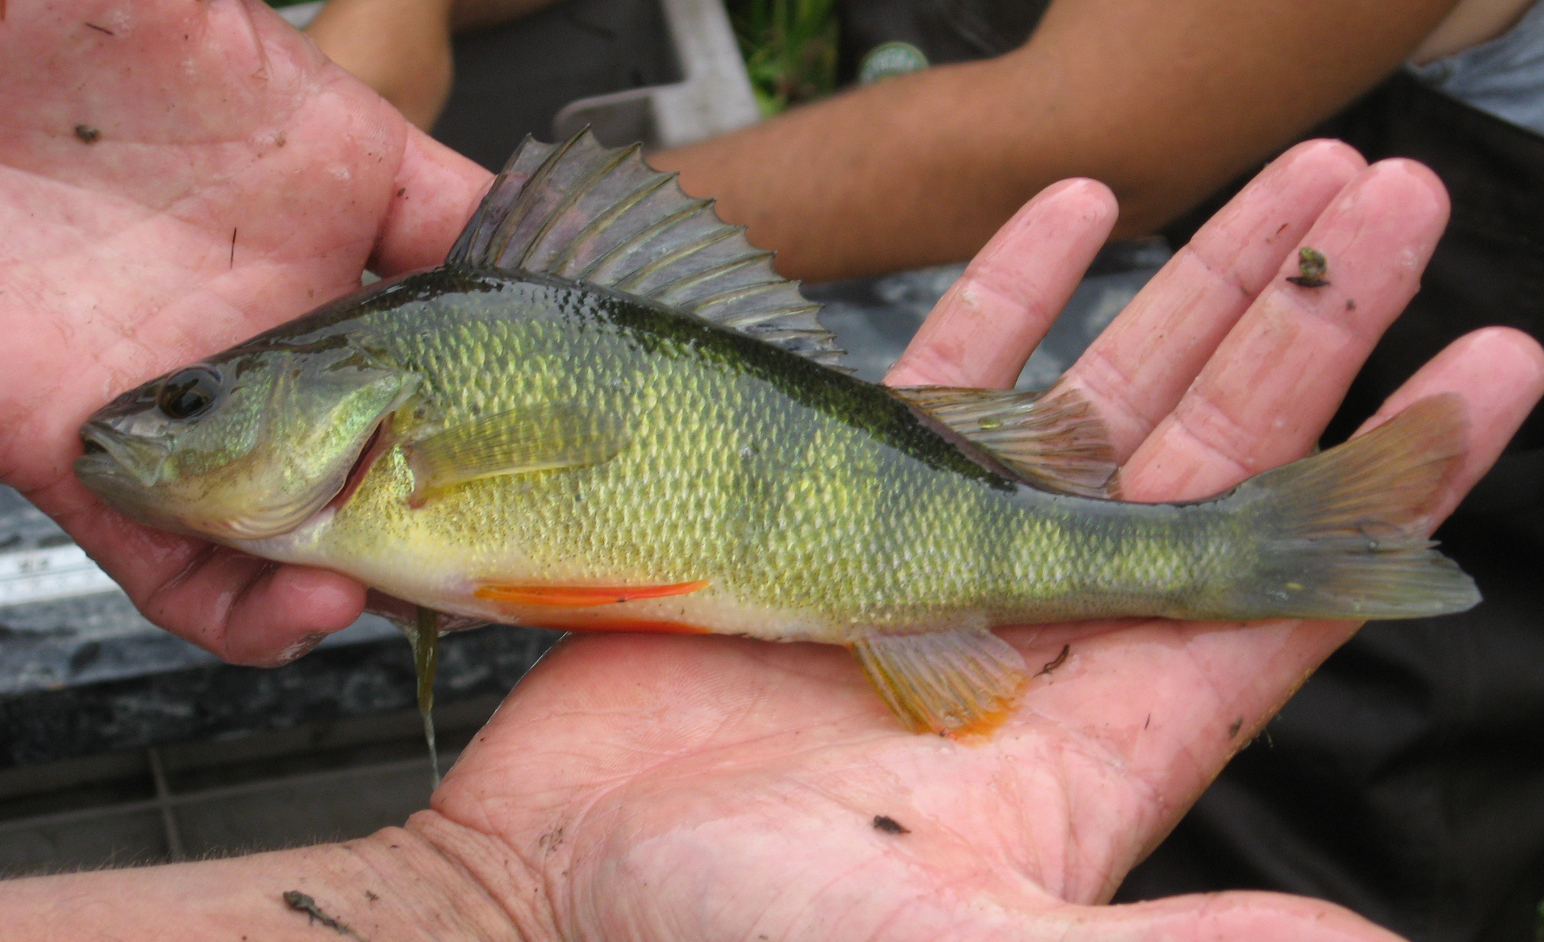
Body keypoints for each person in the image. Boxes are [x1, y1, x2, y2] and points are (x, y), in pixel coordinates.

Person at [0, 3, 1540, 941]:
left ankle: (1254, 547)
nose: (151, 427)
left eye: (198, 400)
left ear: (333, 397)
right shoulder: (403, 404)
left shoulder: (412, 414)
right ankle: (1261, 547)